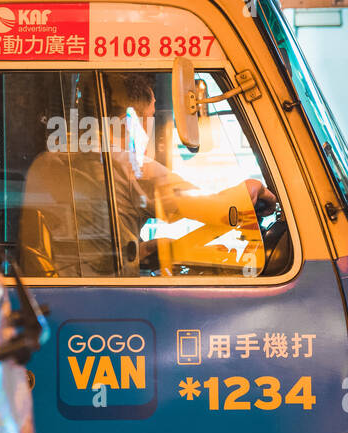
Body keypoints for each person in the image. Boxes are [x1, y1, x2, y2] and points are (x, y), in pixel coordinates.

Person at [19, 69, 277, 278]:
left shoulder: (44, 164)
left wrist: (136, 253)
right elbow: (222, 210)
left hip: (50, 299)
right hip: (108, 306)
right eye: (150, 117)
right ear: (132, 118)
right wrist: (254, 187)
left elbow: (72, 249)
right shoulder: (132, 167)